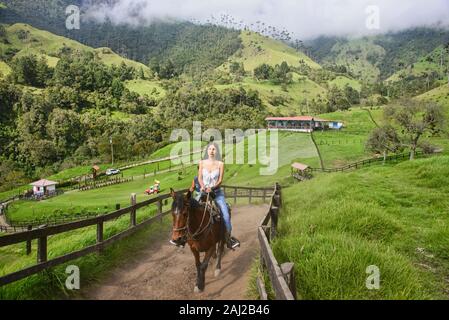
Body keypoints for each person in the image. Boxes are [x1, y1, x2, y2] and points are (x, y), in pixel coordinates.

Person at [198, 142, 240, 249]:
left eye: (214, 149)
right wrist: (203, 186)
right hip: (203, 192)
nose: (211, 151)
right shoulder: (201, 163)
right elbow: (199, 178)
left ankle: (228, 238)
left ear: (217, 152)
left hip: (216, 193)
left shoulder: (220, 164)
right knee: (190, 208)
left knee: (225, 214)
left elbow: (220, 180)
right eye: (210, 149)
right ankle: (184, 236)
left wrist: (211, 188)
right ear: (207, 151)